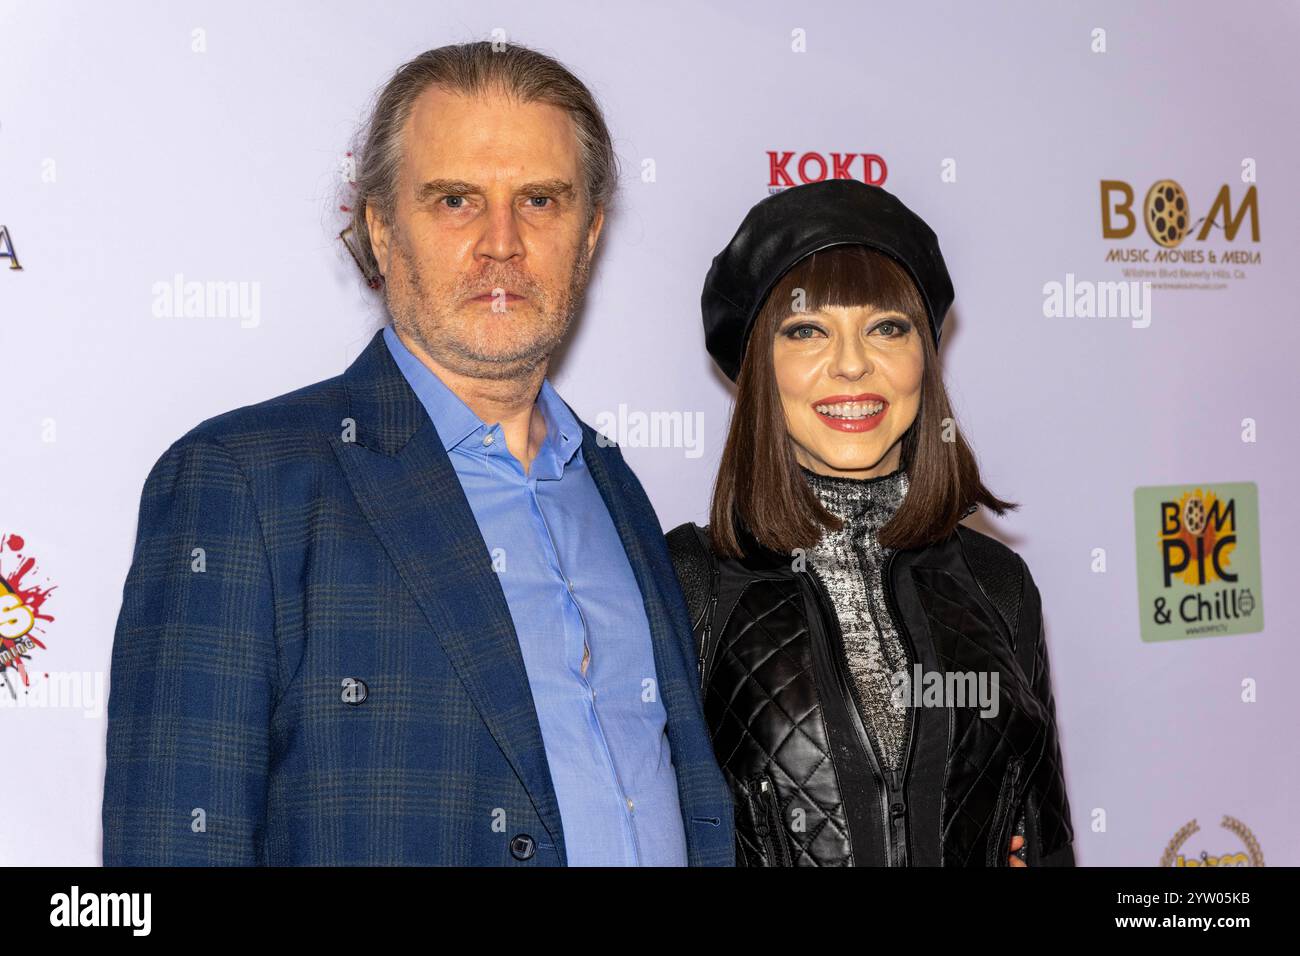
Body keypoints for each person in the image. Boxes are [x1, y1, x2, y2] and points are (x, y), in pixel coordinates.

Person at [102, 41, 733, 867]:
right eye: (456, 201)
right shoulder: (244, 484)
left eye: (540, 199)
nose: (501, 242)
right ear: (382, 228)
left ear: (588, 236)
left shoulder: (612, 484)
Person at [667, 179, 1075, 866]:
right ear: (760, 369)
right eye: (806, 331)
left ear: (925, 357)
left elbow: (1046, 841)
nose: (853, 364)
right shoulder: (688, 580)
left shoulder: (998, 583)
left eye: (887, 327)